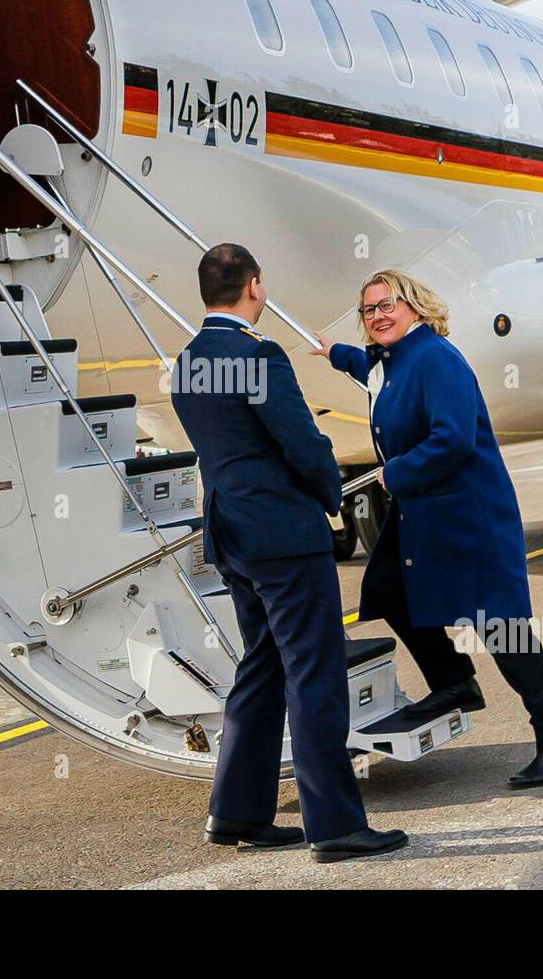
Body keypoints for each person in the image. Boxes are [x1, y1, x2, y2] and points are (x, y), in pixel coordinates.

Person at [172, 244, 407, 863]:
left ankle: (236, 812)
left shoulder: (188, 363)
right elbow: (301, 441)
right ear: (254, 286)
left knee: (263, 666)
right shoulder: (257, 355)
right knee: (313, 673)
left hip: (232, 533)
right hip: (282, 535)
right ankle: (333, 825)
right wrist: (332, 491)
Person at [312, 269, 543, 788]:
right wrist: (335, 352)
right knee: (388, 589)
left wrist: (396, 473)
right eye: (369, 311)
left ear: (415, 306)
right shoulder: (392, 358)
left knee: (501, 627)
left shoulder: (435, 358)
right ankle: (455, 681)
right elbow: (370, 365)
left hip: (468, 514)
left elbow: (454, 438)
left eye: (388, 304)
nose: (379, 316)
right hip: (426, 511)